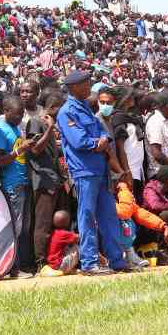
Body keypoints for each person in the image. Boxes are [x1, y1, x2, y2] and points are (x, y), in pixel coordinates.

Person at [56, 70, 130, 275]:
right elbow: (79, 141)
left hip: (100, 170)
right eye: (85, 84)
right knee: (87, 216)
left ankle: (117, 260)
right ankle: (89, 262)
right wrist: (98, 143)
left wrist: (101, 142)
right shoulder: (67, 111)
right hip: (83, 171)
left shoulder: (87, 109)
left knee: (109, 216)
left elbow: (105, 135)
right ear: (73, 87)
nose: (89, 86)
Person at [0, 96, 35, 278]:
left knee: (24, 228)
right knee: (15, 229)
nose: (20, 117)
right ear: (6, 111)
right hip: (11, 184)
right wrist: (20, 150)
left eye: (22, 114)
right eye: (17, 114)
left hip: (22, 181)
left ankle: (22, 265)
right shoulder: (1, 130)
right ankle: (12, 268)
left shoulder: (15, 127)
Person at [26, 93, 67, 275]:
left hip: (53, 179)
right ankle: (41, 264)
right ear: (55, 106)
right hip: (42, 181)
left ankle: (53, 260)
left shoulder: (49, 123)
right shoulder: (37, 122)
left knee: (55, 222)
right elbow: (34, 149)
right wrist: (50, 129)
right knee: (42, 224)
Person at [114, 180, 168, 268]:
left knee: (128, 223)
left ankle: (129, 253)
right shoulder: (109, 196)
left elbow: (144, 215)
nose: (131, 185)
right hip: (101, 240)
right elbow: (124, 212)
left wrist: (163, 225)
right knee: (124, 222)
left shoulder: (122, 197)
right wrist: (124, 190)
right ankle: (119, 256)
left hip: (117, 241)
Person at [43, 211, 79, 276]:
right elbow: (79, 238)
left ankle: (67, 268)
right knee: (76, 247)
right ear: (67, 222)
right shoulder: (64, 234)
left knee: (68, 246)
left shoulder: (54, 232)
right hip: (59, 266)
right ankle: (68, 269)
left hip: (52, 264)